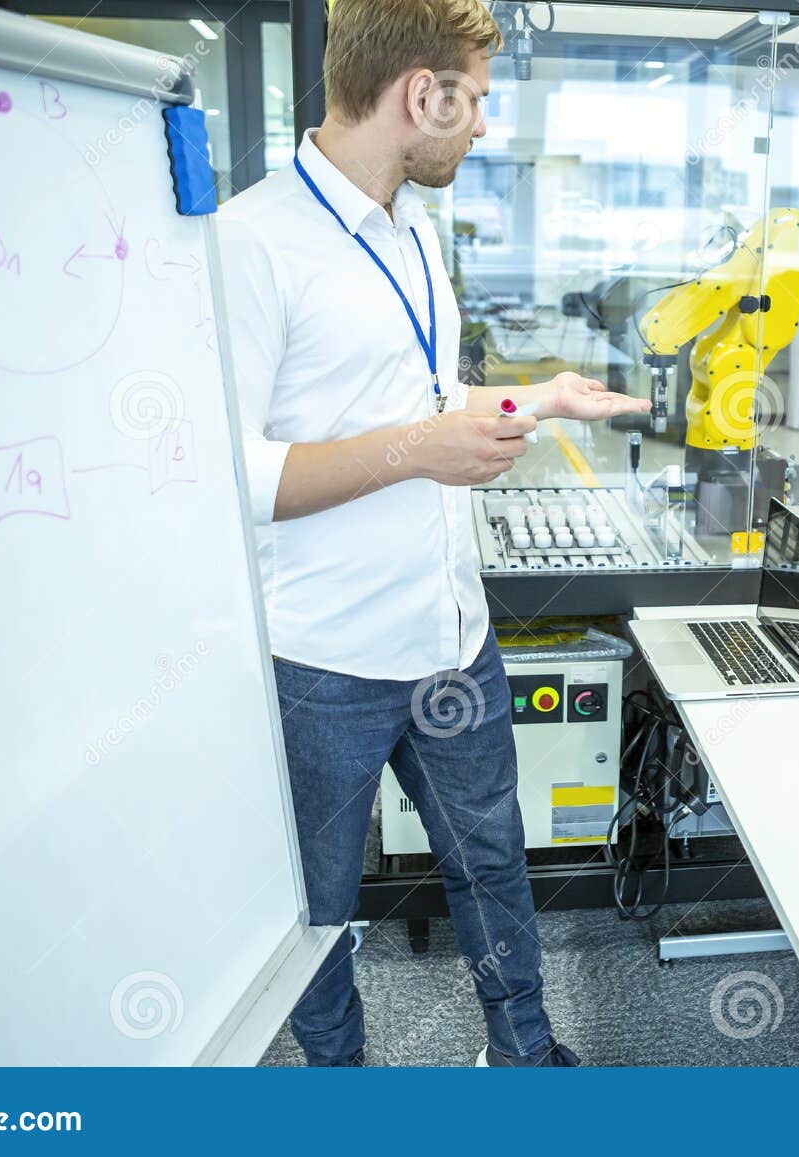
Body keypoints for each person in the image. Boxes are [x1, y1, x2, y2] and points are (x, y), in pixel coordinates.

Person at [216, 0, 649, 1066]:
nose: (483, 127)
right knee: (319, 908)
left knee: (493, 863)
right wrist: (421, 446)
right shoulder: (248, 243)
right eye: (477, 102)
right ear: (422, 94)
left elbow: (425, 401)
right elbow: (237, 477)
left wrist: (535, 399)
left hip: (451, 632)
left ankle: (523, 1054)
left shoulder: (412, 231)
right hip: (324, 660)